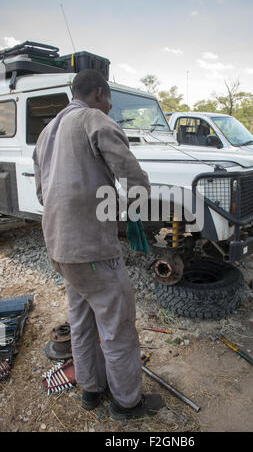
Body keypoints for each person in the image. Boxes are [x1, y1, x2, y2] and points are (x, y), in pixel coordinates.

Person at [33, 69, 163, 420]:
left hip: (61, 250)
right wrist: (136, 211)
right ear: (100, 94)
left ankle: (91, 391)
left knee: (81, 321)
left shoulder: (47, 132)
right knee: (118, 328)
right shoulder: (94, 119)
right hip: (93, 252)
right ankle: (127, 403)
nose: (109, 107)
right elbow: (133, 178)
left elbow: (43, 194)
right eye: (109, 101)